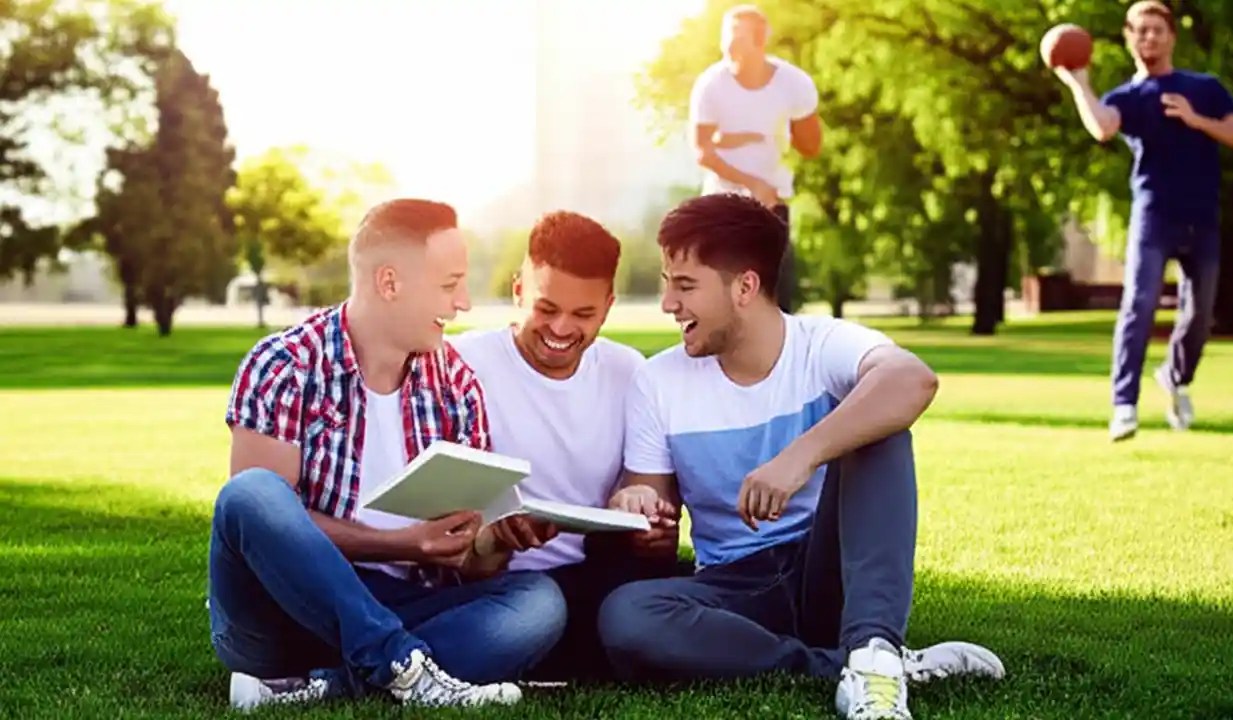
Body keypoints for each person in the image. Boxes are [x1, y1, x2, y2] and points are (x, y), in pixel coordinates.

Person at [596, 194, 1005, 720]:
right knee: (627, 615)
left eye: (686, 285)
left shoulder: (820, 344)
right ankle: (859, 665)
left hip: (827, 570)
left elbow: (913, 380)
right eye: (666, 283)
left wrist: (800, 456)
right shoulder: (657, 381)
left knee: (882, 428)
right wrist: (638, 509)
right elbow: (648, 503)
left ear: (745, 287)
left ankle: (872, 646)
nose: (668, 304)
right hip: (735, 588)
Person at [208, 199, 567, 711]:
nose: (463, 303)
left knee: (538, 603)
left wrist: (493, 539)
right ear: (390, 283)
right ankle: (402, 665)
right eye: (449, 285)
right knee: (250, 493)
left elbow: (471, 563)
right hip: (283, 612)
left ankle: (332, 682)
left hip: (401, 605)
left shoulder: (456, 385)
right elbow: (261, 527)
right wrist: (402, 544)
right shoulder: (285, 366)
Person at [449, 210, 684, 683]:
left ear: (608, 306)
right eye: (546, 309)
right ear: (519, 291)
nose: (560, 329)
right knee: (548, 613)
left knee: (651, 603)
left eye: (583, 315)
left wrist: (650, 522)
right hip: (492, 577)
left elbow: (650, 508)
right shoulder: (462, 364)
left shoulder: (628, 371)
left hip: (596, 572)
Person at [1052, 0, 1233, 441]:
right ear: (1129, 38)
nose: (1149, 37)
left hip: (1202, 215)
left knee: (1200, 315)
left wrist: (1196, 120)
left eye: (1157, 30)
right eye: (1140, 30)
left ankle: (1175, 376)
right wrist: (1077, 81)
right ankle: (1124, 404)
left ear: (1171, 37)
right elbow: (1103, 127)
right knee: (1139, 303)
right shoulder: (1127, 97)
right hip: (1154, 215)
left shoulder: (1205, 88)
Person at [689, 4, 822, 313]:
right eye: (726, 36)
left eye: (737, 37)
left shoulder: (794, 83)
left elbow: (811, 147)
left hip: (772, 204)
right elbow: (702, 152)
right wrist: (752, 184)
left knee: (775, 298)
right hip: (722, 205)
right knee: (719, 297)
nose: (728, 45)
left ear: (760, 41)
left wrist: (791, 125)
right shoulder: (711, 84)